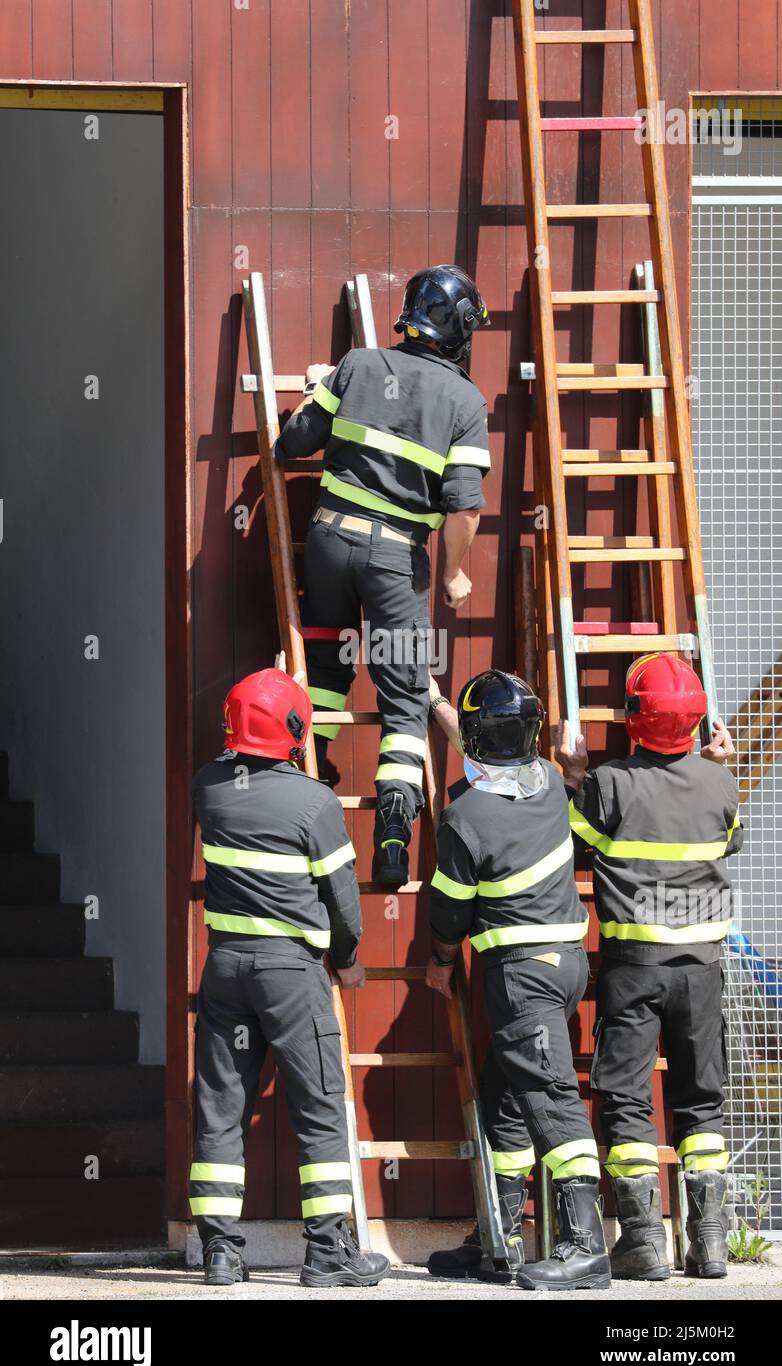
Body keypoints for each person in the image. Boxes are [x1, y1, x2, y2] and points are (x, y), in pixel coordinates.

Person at [274, 265, 491, 886]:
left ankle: (306, 781)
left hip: (327, 540)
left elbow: (293, 442)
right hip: (397, 560)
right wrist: (451, 575)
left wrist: (319, 389)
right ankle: (393, 836)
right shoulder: (466, 403)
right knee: (402, 701)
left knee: (326, 665)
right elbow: (465, 507)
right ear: (458, 335)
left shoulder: (358, 365)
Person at [189, 659, 389, 1288]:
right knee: (321, 1105)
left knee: (220, 1105)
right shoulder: (314, 802)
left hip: (224, 968)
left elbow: (238, 760)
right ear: (297, 732)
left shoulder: (208, 788)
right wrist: (349, 960)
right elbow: (344, 904)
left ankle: (221, 1253)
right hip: (291, 972)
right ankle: (328, 1254)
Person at [424, 671, 611, 1291]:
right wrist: (440, 704)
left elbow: (450, 911)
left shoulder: (463, 815)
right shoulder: (553, 784)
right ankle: (498, 1240)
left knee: (552, 1098)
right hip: (564, 964)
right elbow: (489, 751)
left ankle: (587, 1249)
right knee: (507, 1100)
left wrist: (442, 958)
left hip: (521, 978)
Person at [558, 653, 741, 1280]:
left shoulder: (609, 786)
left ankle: (642, 1242)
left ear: (635, 717)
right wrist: (713, 770)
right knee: (701, 1101)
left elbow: (573, 841)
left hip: (633, 970)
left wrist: (572, 775)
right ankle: (710, 1243)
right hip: (703, 969)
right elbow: (729, 837)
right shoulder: (722, 784)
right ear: (694, 721)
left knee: (626, 1098)